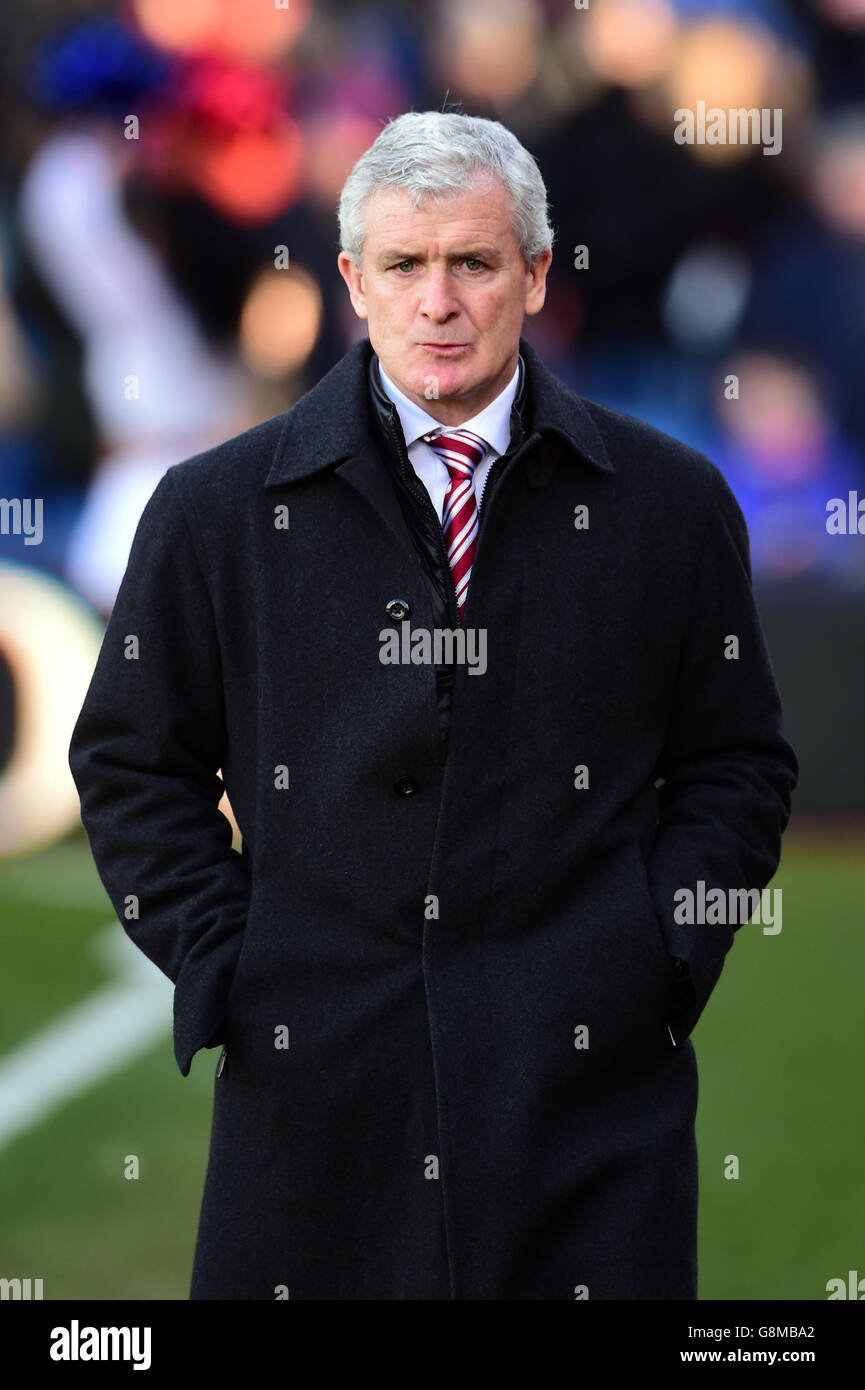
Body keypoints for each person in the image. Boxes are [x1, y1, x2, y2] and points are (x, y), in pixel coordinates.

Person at [68, 110, 798, 1300]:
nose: (438, 301)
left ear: (536, 275)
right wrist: (230, 960)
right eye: (404, 266)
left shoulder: (670, 504)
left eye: (473, 262)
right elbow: (131, 763)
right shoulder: (214, 511)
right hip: (313, 1101)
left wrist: (655, 960)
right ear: (353, 280)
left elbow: (737, 766)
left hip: (587, 1102)